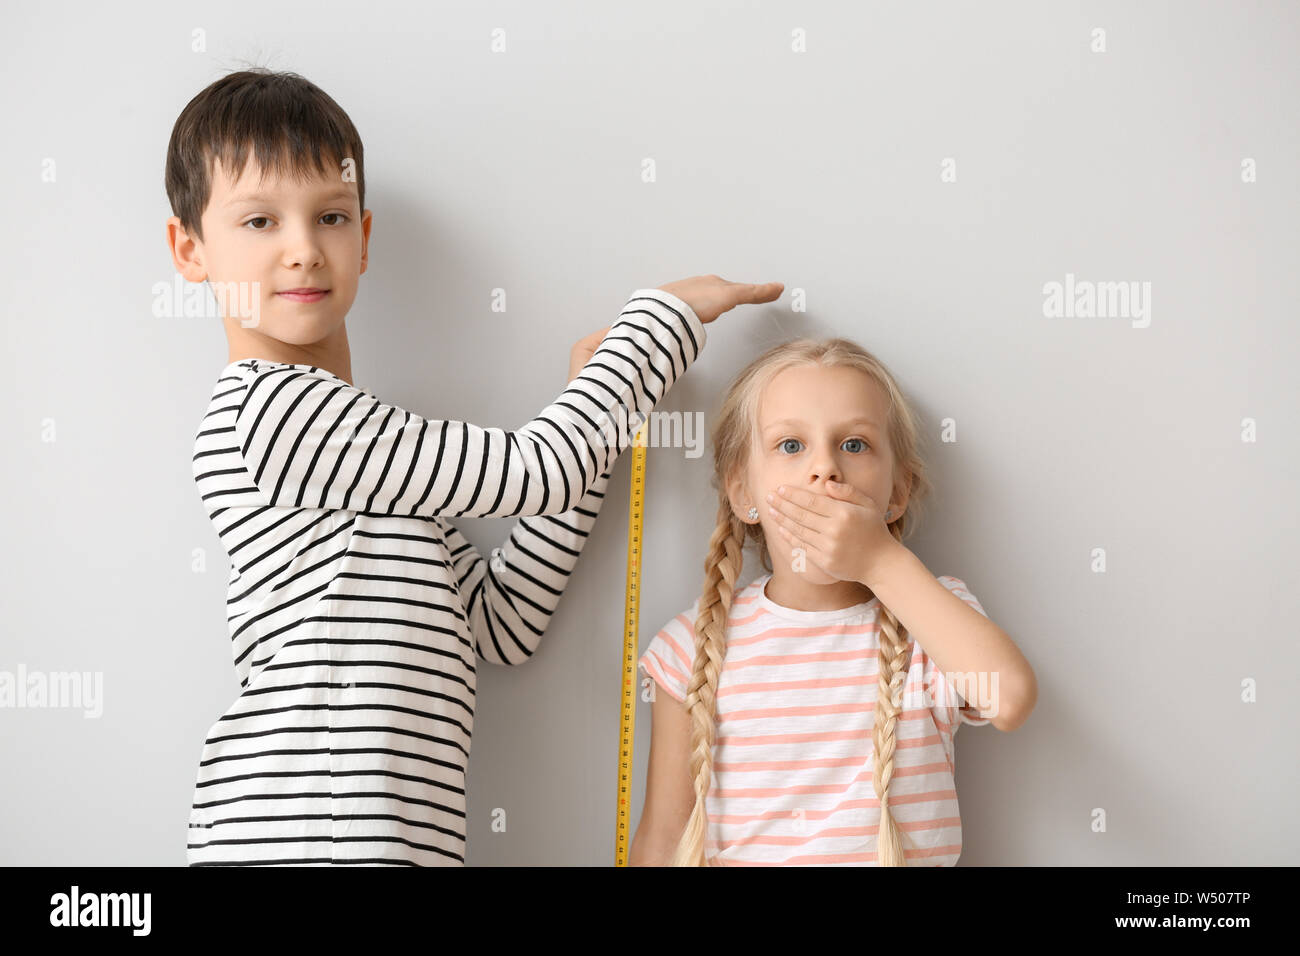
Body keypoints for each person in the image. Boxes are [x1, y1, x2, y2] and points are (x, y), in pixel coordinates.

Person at [163, 66, 782, 865]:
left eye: (330, 216)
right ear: (189, 249)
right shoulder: (271, 409)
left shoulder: (379, 462)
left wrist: (597, 420)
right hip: (298, 836)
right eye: (258, 221)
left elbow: (501, 622)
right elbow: (536, 466)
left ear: (364, 235)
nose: (303, 250)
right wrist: (654, 326)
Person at [632, 337, 1036, 865]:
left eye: (854, 444)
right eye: (791, 446)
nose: (825, 469)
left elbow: (1010, 700)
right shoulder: (691, 648)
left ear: (897, 492)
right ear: (742, 493)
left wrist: (880, 562)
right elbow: (662, 840)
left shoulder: (928, 622)